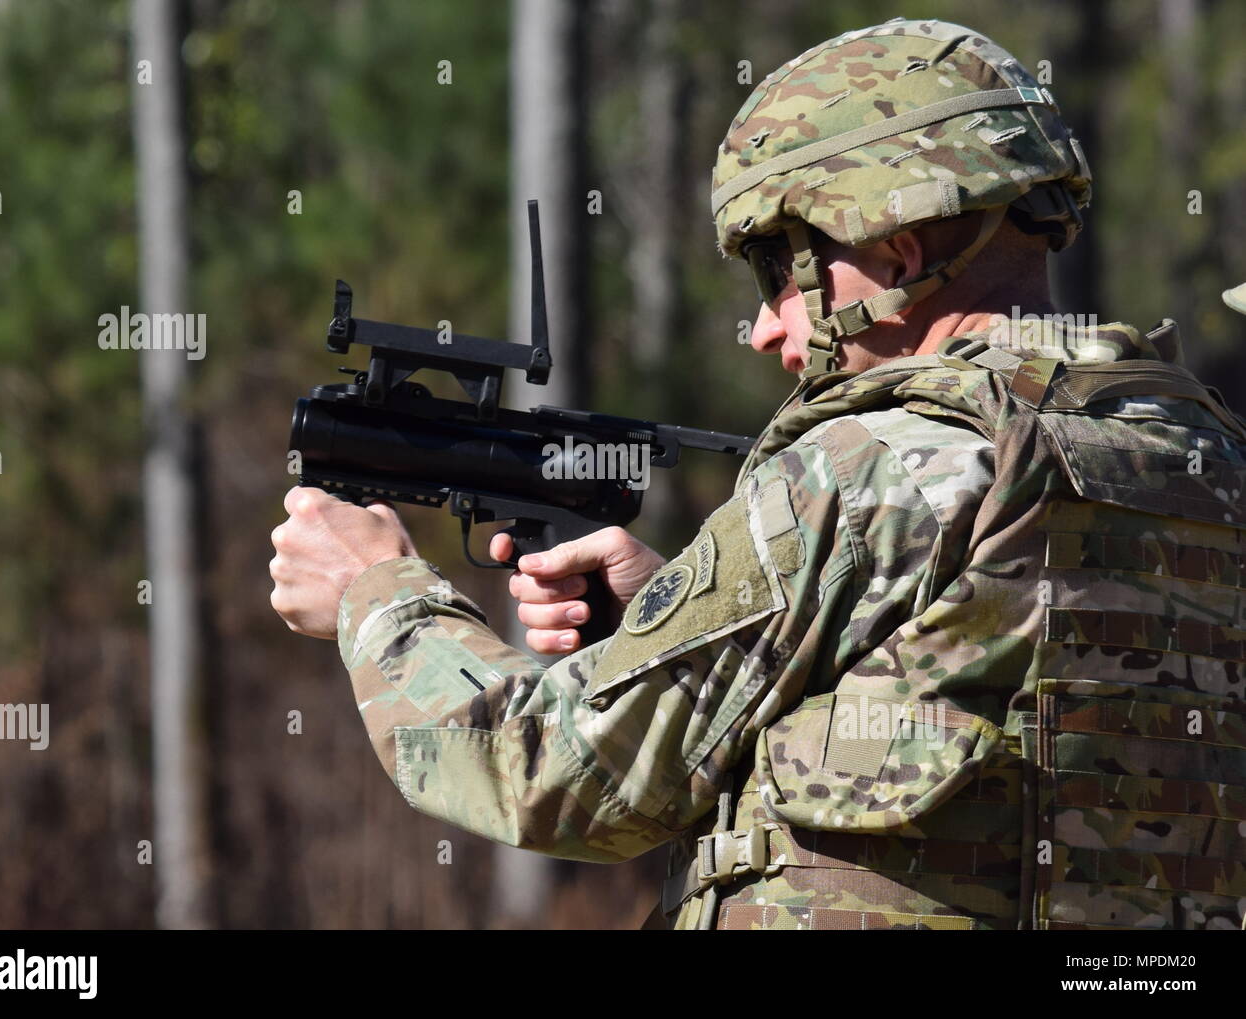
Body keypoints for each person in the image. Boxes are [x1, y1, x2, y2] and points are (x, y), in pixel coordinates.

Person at [270, 17, 1246, 930]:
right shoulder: (1203, 458)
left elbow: (552, 774)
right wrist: (680, 615)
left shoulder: (872, 467)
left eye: (781, 274)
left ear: (891, 253)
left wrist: (379, 594)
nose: (769, 327)